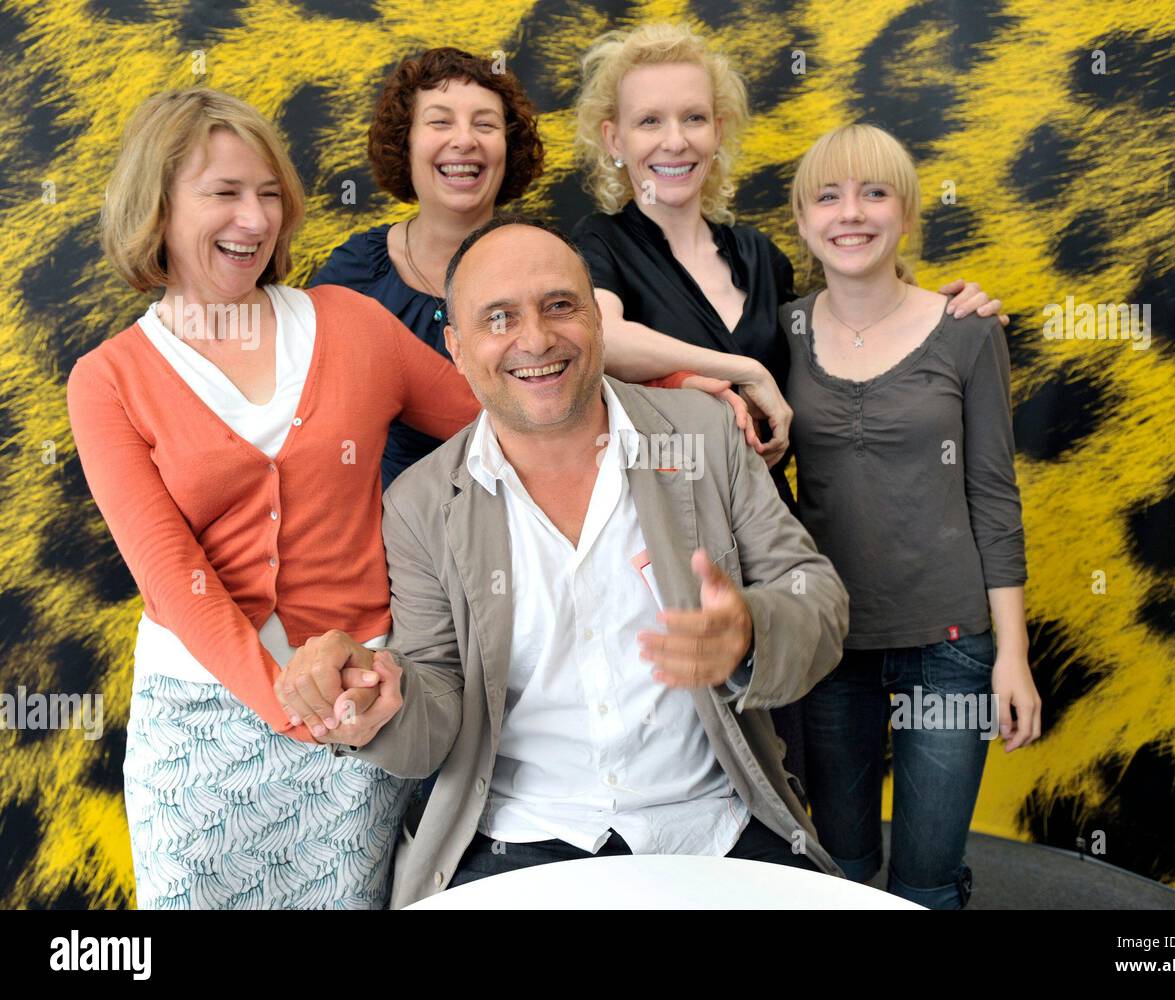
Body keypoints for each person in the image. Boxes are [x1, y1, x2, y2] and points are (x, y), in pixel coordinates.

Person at [274, 216, 852, 907]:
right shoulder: (421, 502)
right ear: (456, 347)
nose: (537, 339)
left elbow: (815, 595)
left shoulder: (703, 436)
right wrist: (376, 706)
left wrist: (751, 632)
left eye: (559, 306)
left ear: (598, 321)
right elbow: (436, 703)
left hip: (714, 826)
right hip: (517, 845)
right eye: (499, 318)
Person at [65, 88, 484, 908]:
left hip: (359, 704)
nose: (254, 221)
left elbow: (505, 412)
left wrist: (684, 385)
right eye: (223, 193)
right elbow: (169, 574)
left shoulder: (353, 324)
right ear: (155, 206)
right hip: (201, 723)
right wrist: (297, 707)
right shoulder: (108, 379)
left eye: (267, 194)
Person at [570, 21, 1004, 789]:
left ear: (720, 131)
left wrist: (948, 314)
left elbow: (851, 330)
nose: (675, 140)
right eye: (649, 121)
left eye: (694, 118)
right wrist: (737, 367)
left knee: (797, 787)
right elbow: (602, 339)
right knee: (694, 780)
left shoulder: (759, 255)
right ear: (614, 138)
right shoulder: (598, 243)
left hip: (775, 556)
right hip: (664, 552)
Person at [782, 123, 1043, 909]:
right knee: (843, 874)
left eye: (874, 193)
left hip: (951, 645)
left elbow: (994, 493)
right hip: (829, 647)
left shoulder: (967, 331)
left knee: (927, 883)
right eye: (827, 196)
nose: (850, 213)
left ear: (907, 213)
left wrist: (1013, 654)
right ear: (801, 221)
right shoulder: (782, 331)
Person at [313, 47, 752, 488]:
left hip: (542, 518)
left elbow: (602, 379)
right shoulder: (356, 274)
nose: (464, 140)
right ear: (404, 141)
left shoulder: (551, 261)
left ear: (509, 146)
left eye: (485, 124)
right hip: (405, 531)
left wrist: (682, 384)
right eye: (440, 121)